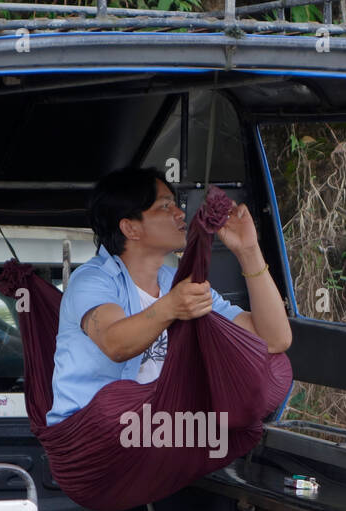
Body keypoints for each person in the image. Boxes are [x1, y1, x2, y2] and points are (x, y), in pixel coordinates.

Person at [46, 167, 292, 425]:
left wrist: (248, 250)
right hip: (97, 433)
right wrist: (170, 308)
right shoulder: (93, 279)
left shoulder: (173, 281)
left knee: (273, 367)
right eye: (165, 207)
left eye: (175, 205)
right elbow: (114, 343)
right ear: (130, 228)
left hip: (160, 431)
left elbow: (273, 340)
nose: (180, 213)